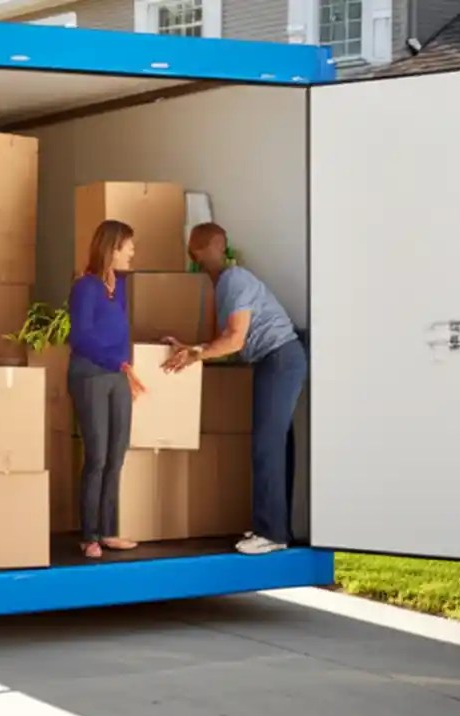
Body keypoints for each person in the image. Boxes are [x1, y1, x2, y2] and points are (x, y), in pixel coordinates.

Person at [163, 222, 306, 555]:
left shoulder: (234, 280)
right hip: (278, 359)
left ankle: (269, 532)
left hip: (279, 359)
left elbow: (235, 339)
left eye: (195, 249)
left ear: (201, 249)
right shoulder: (227, 283)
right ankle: (277, 530)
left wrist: (196, 354)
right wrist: (194, 347)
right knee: (277, 445)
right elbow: (226, 342)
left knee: (266, 445)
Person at [68, 219, 145, 559]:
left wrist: (124, 363)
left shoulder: (122, 286)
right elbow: (80, 336)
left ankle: (110, 530)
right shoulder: (85, 286)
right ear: (112, 248)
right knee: (97, 456)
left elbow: (121, 330)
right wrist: (116, 362)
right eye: (128, 245)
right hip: (91, 375)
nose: (132, 251)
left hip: (117, 375)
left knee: (117, 453)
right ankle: (89, 536)